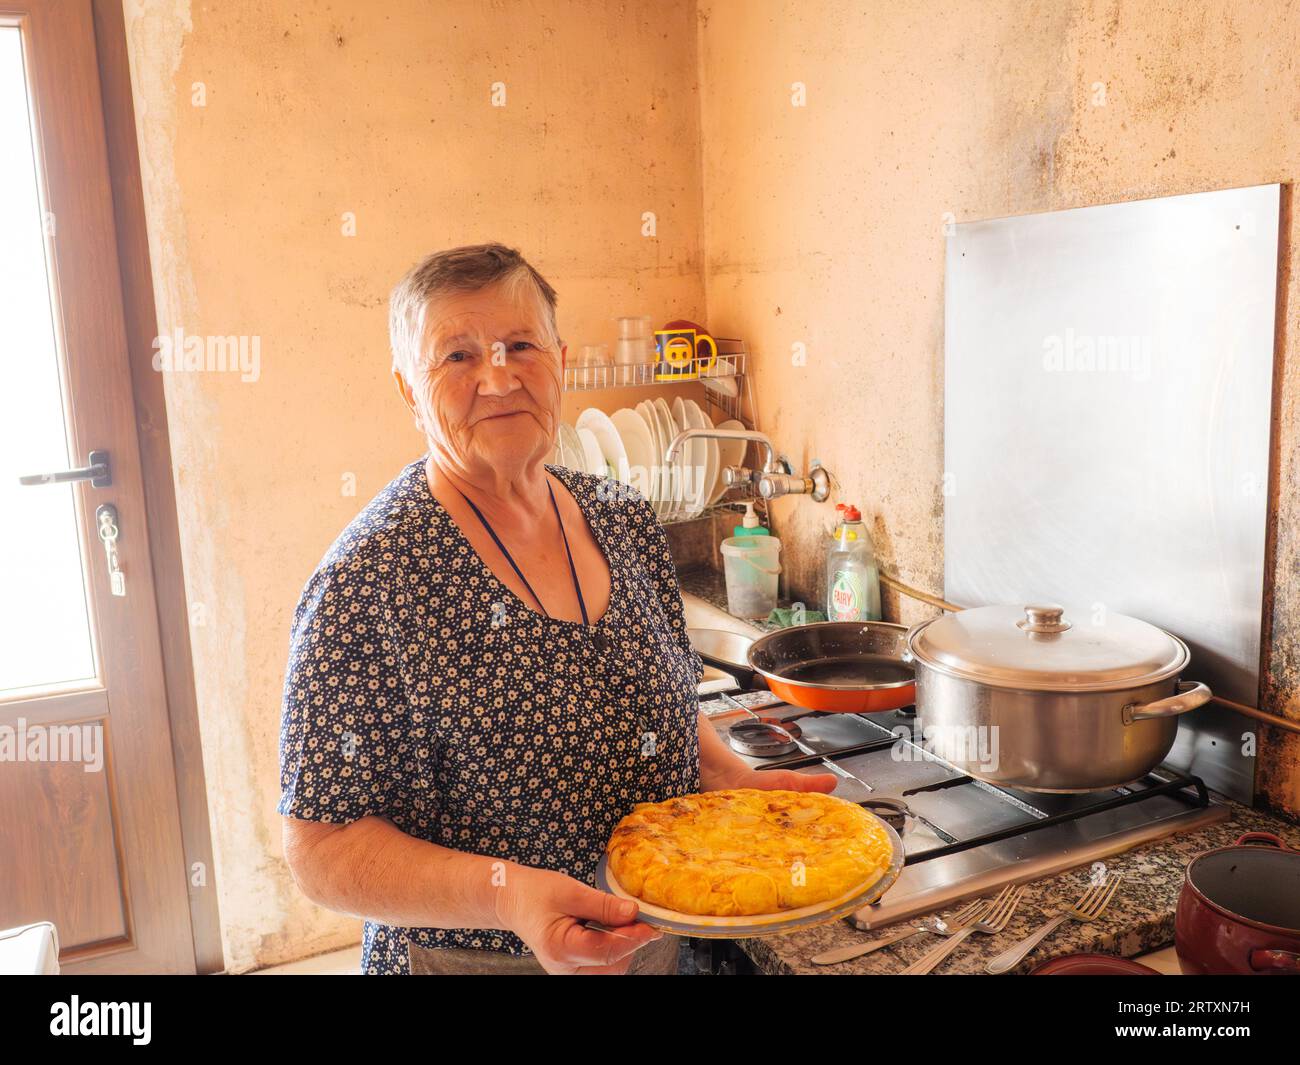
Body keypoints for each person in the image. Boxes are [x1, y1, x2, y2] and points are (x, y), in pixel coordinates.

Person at [277, 243, 835, 974]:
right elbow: (320, 848)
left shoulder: (624, 518)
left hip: (652, 936)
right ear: (409, 388)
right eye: (457, 357)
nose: (499, 376)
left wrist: (725, 775)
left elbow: (658, 695)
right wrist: (509, 895)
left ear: (560, 360)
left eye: (519, 345)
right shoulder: (368, 580)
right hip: (479, 962)